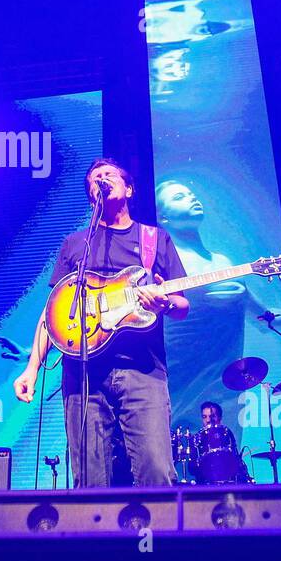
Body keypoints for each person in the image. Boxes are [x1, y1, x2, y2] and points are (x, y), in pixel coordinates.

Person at [13, 158, 189, 487]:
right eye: (95, 179)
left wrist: (164, 303)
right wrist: (31, 369)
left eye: (109, 175)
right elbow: (53, 314)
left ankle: (156, 538)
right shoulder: (74, 244)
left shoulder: (154, 239)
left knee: (157, 471)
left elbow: (182, 305)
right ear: (91, 196)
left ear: (129, 188)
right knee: (89, 482)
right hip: (83, 375)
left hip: (142, 370)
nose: (101, 180)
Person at [155, 178, 281, 423]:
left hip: (226, 384)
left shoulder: (224, 263)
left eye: (191, 193)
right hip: (180, 382)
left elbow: (263, 318)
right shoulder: (163, 263)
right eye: (179, 197)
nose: (191, 198)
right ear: (163, 218)